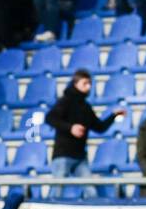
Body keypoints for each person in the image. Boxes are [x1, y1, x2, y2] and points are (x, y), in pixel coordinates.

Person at [45, 68, 127, 198]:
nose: (88, 87)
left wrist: (113, 116)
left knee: (91, 192)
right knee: (57, 192)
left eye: (90, 83)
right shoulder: (65, 101)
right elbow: (50, 118)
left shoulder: (86, 107)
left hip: (80, 157)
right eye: (85, 83)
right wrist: (70, 127)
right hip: (63, 155)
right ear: (75, 83)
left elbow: (99, 127)